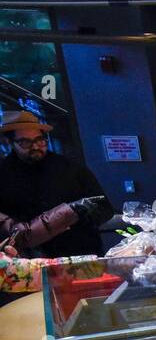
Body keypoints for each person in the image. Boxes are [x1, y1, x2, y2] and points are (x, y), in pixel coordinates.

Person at [0, 110, 112, 258]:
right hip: (29, 260)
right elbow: (7, 228)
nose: (35, 146)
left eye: (40, 140)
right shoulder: (3, 173)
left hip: (79, 252)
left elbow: (104, 208)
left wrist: (79, 216)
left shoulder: (69, 167)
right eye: (26, 142)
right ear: (10, 142)